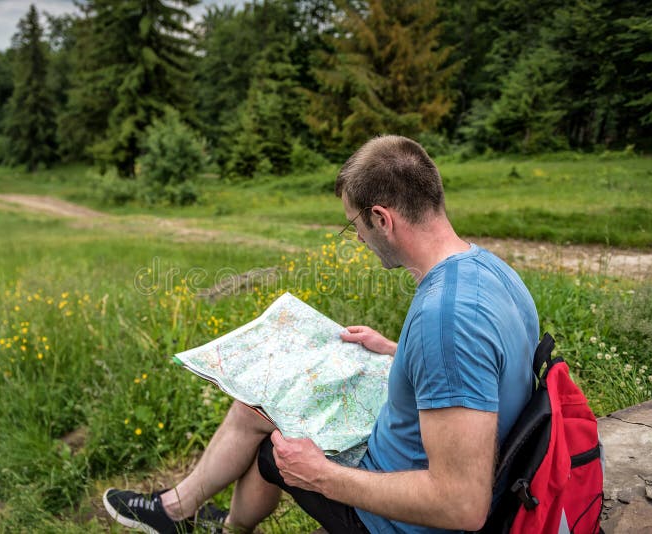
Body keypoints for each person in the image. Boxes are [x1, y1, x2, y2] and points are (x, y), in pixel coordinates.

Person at [103, 135, 540, 534]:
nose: (360, 239)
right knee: (263, 405)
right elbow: (477, 368)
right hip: (433, 453)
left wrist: (322, 475)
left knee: (272, 446)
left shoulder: (444, 321)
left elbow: (461, 505)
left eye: (355, 226)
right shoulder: (490, 271)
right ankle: (200, 518)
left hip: (393, 522)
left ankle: (183, 514)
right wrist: (394, 350)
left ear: (381, 219)